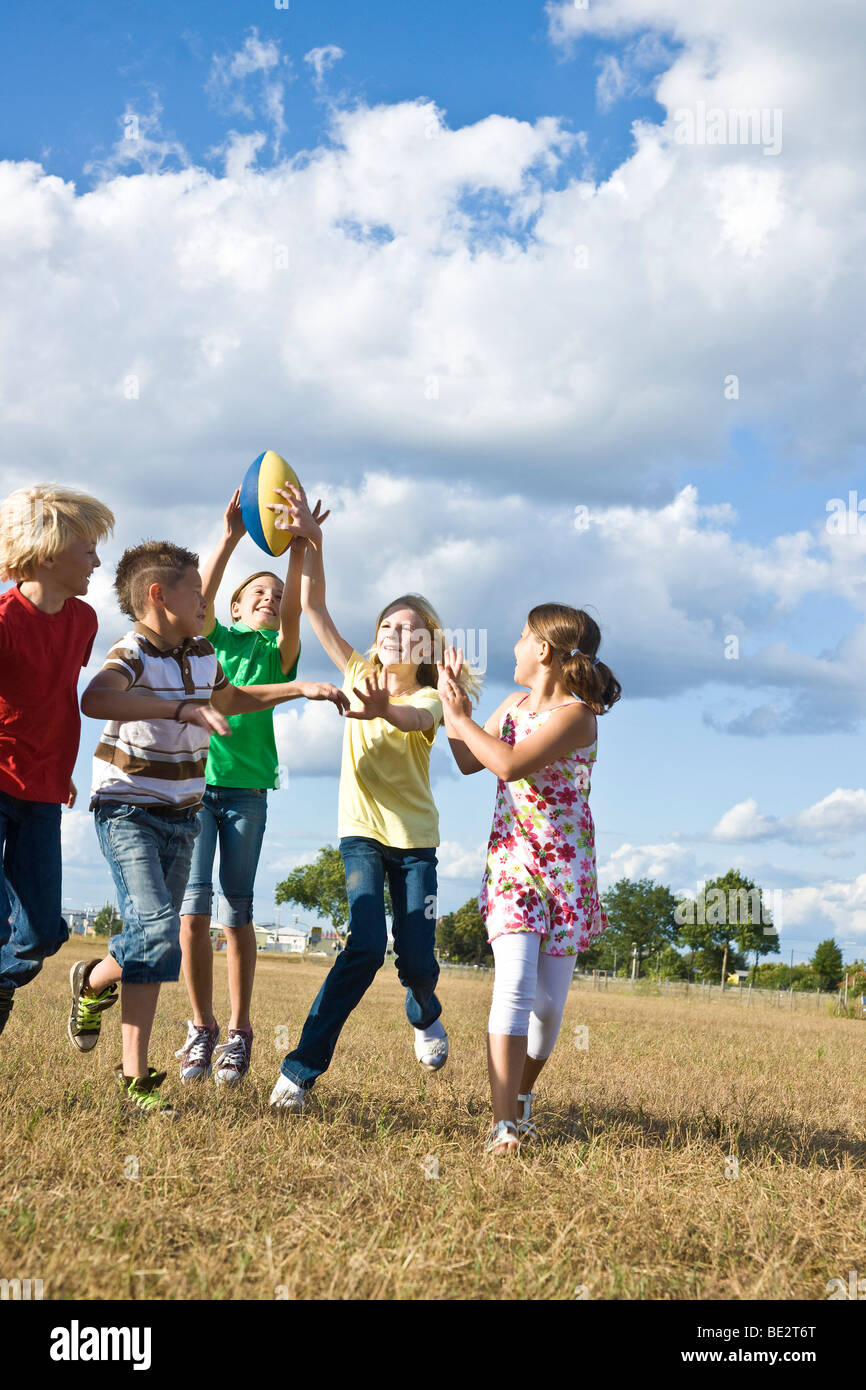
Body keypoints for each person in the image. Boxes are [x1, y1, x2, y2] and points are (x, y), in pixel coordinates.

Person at [69, 540, 348, 1117]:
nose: (205, 599)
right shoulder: (133, 651)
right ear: (158, 597)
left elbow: (232, 697)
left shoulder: (201, 654)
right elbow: (96, 698)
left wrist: (299, 687)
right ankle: (135, 1070)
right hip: (128, 808)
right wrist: (178, 710)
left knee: (153, 939)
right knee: (158, 933)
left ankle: (98, 992)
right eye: (197, 592)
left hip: (182, 812)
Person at [267, 487, 480, 1111]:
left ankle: (424, 1009)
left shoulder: (434, 699)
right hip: (360, 832)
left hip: (416, 843)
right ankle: (300, 1072)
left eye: (408, 629)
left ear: (428, 646)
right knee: (363, 944)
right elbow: (312, 606)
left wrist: (383, 704)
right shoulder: (355, 667)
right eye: (387, 625)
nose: (393, 634)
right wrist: (311, 541)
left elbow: (411, 722)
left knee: (416, 958)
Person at [436, 604, 620, 1155]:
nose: (514, 648)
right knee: (513, 987)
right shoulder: (511, 706)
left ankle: (519, 1097)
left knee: (549, 1010)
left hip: (565, 873)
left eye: (521, 638)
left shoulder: (577, 715)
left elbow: (511, 764)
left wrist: (462, 719)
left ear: (543, 650)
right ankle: (503, 1127)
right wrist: (456, 711)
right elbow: (472, 762)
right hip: (514, 865)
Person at [175, 487, 328, 1087]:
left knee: (237, 911)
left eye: (276, 596)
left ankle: (239, 1031)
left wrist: (299, 544)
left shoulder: (276, 651)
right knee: (192, 914)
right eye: (257, 594)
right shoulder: (213, 640)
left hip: (245, 794)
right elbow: (200, 601)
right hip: (194, 785)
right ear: (235, 610)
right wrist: (232, 536)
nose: (269, 600)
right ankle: (200, 1027)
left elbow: (298, 610)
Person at [0, 484, 114, 1038]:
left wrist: (57, 766)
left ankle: (2, 982)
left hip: (42, 789)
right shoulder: (2, 620)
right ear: (47, 553)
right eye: (87, 549)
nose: (97, 561)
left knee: (41, 933)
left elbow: (48, 696)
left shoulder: (83, 622)